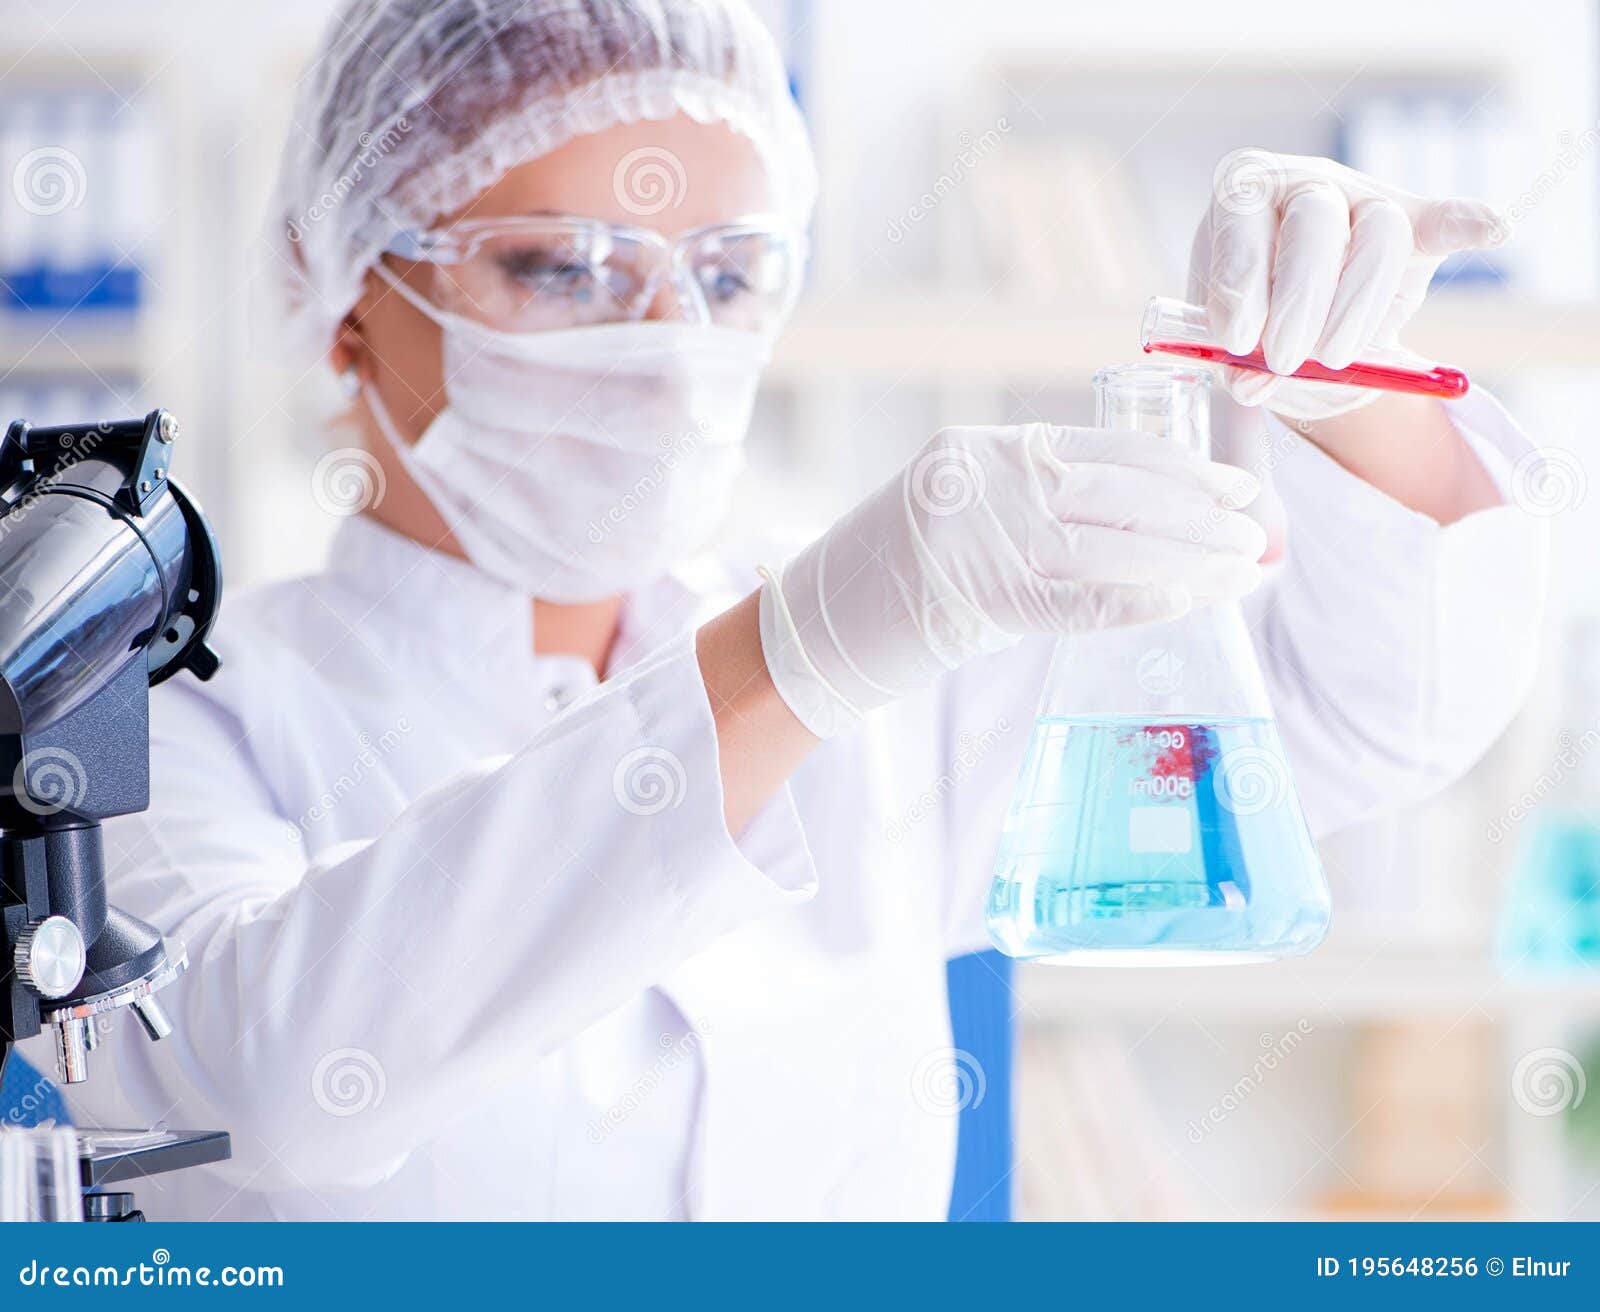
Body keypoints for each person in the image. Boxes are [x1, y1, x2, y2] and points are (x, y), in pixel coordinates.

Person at [48, 0, 1544, 1220]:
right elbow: (266, 1091)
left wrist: (1350, 391)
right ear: (345, 291)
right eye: (561, 265)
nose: (667, 340)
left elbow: (1356, 720)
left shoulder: (905, 674)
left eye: (731, 270)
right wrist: (797, 658)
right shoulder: (171, 717)